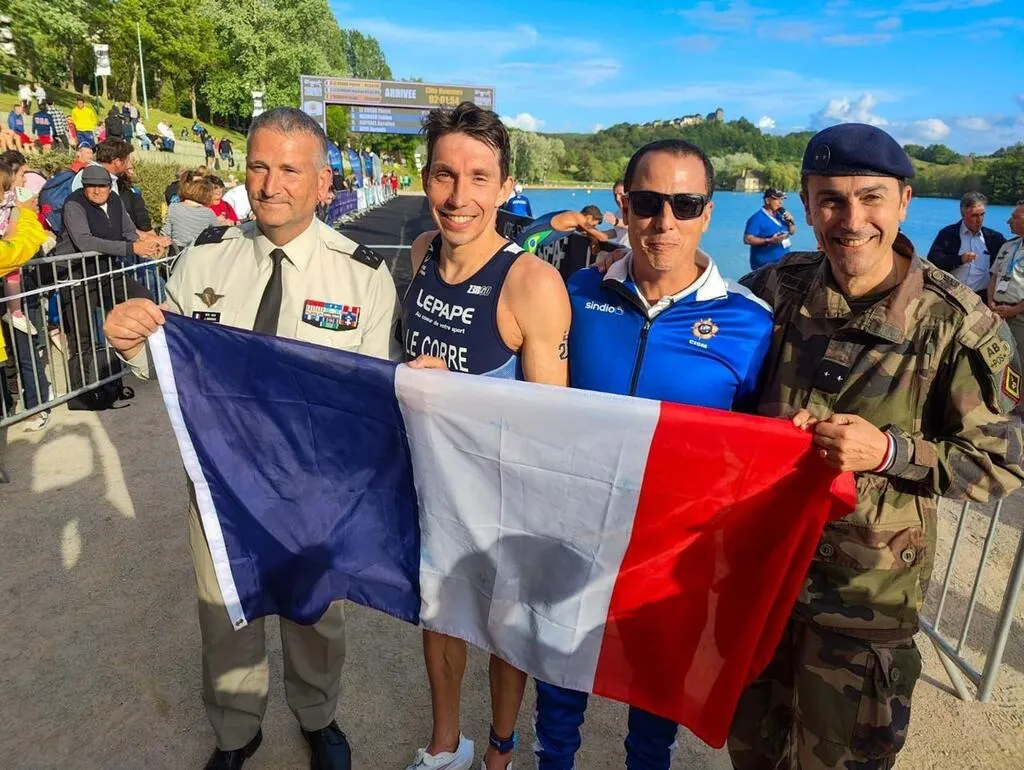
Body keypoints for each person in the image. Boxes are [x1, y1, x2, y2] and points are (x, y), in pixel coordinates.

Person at [104, 106, 401, 770]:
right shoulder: (204, 258)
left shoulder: (364, 276)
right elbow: (166, 363)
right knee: (225, 614)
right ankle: (237, 734)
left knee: (315, 618)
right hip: (222, 485)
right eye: (259, 166)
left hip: (314, 492)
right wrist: (128, 345)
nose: (271, 185)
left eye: (290, 170)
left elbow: (372, 397)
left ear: (324, 183)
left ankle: (318, 718)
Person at [728, 123, 1024, 769]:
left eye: (871, 198)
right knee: (752, 751)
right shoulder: (775, 291)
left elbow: (1004, 465)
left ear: (905, 203)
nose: (850, 219)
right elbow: (701, 366)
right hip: (765, 585)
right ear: (805, 207)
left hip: (864, 606)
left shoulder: (955, 323)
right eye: (830, 199)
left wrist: (892, 454)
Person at [534, 139, 774, 770]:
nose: (664, 222)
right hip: (576, 528)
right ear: (623, 202)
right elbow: (511, 259)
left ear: (708, 213)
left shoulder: (751, 323)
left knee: (657, 693)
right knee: (558, 681)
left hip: (675, 547)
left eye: (685, 203)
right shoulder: (575, 291)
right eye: (647, 201)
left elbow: (761, 445)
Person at [402, 101, 571, 770]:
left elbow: (549, 423)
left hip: (503, 494)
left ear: (505, 187)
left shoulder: (531, 282)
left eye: (479, 178)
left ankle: (500, 750)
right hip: (432, 486)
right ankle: (447, 743)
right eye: (445, 175)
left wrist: (464, 397)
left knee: (503, 629)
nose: (459, 195)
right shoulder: (417, 255)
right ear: (425, 180)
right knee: (439, 617)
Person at [927, 191, 1007, 301]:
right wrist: (960, 259)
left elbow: (1010, 259)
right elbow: (933, 261)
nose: (979, 220)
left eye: (982, 214)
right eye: (974, 215)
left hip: (981, 299)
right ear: (963, 214)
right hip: (951, 296)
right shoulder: (948, 234)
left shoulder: (995, 238)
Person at [987, 201, 1024, 354]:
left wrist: (1015, 309)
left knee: (1019, 365)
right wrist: (990, 301)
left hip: (1019, 317)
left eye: (1014, 217)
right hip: (996, 314)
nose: (1008, 221)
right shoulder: (1008, 246)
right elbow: (994, 277)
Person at [162, 170, 222, 249]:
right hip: (198, 253)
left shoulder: (173, 207)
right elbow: (218, 235)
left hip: (176, 254)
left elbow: (165, 235)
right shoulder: (208, 213)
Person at [516, 205, 609, 255]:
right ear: (588, 217)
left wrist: (593, 240)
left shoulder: (572, 219)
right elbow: (603, 238)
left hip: (527, 238)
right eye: (593, 225)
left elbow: (589, 234)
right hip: (529, 241)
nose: (593, 227)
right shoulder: (577, 217)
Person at [743, 187, 797, 270]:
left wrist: (790, 222)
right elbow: (747, 239)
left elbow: (792, 232)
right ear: (767, 201)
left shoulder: (781, 215)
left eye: (782, 199)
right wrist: (769, 241)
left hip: (783, 264)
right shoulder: (757, 218)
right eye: (777, 199)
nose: (780, 202)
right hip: (764, 267)